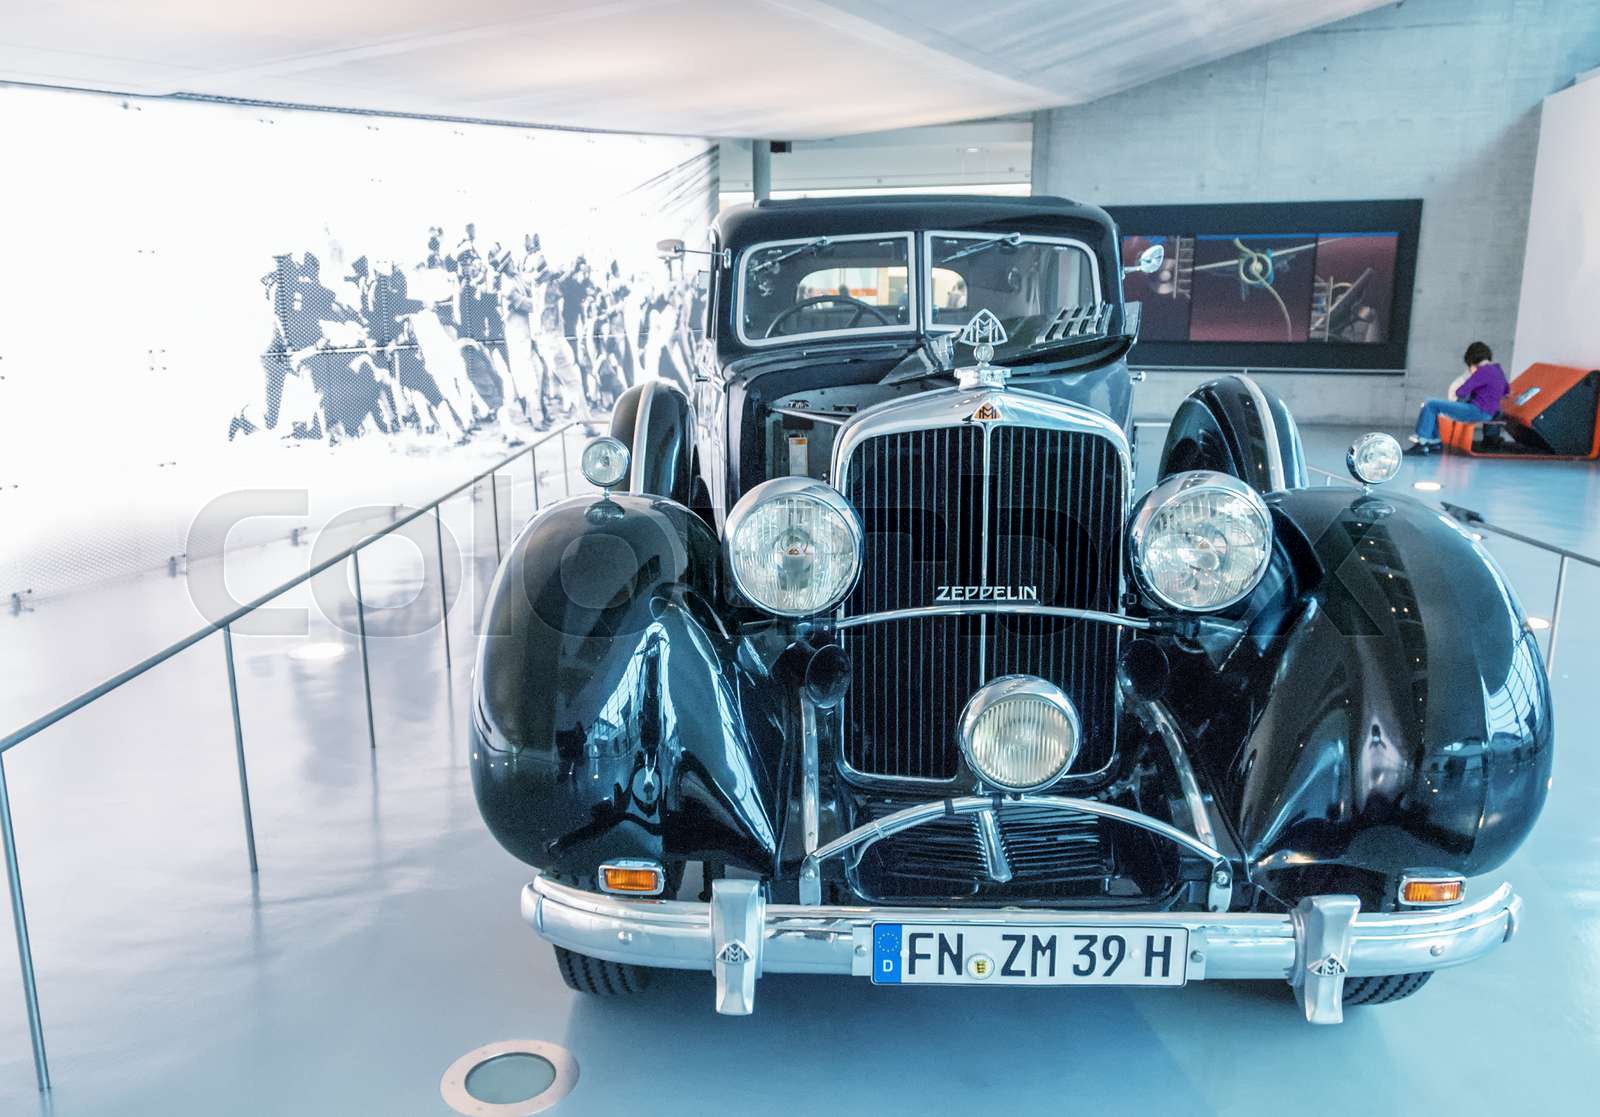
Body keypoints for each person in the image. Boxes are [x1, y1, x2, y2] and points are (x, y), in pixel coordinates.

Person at [1406, 341, 1509, 455]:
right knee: (1436, 407)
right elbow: (1506, 391)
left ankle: (1422, 442)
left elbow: (1461, 392)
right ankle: (1434, 442)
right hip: (1490, 413)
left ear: (1471, 358)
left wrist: (1472, 375)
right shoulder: (1498, 369)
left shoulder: (1482, 371)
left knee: (1430, 404)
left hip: (1476, 411)